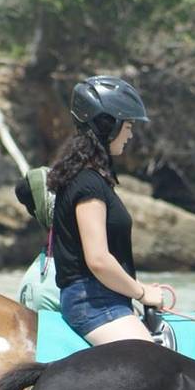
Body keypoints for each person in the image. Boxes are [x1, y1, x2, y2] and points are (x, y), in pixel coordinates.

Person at [39, 75, 175, 344]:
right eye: (128, 125)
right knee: (150, 364)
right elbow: (98, 259)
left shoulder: (89, 178)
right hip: (93, 302)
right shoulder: (88, 183)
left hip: (105, 297)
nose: (131, 134)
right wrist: (141, 292)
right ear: (107, 126)